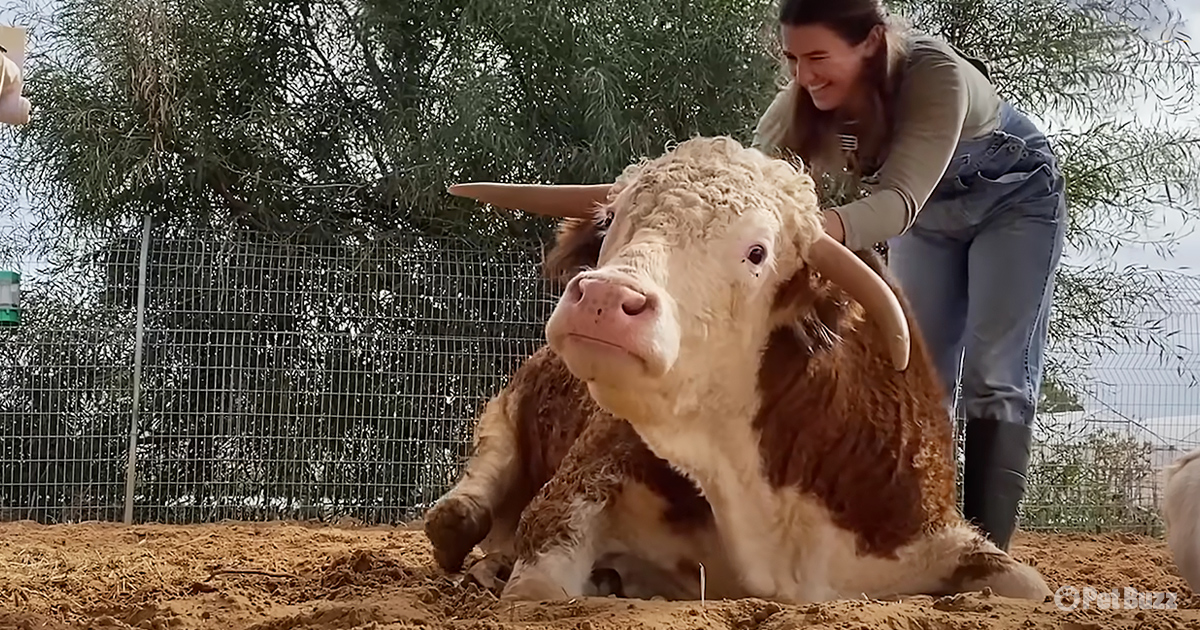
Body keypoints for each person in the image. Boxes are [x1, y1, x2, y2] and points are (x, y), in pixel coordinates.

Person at [752, 0, 1067, 552]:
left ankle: (989, 554)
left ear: (872, 42)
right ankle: (926, 539)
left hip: (1014, 198)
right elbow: (754, 174)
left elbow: (897, 202)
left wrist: (801, 231)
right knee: (923, 373)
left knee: (995, 371)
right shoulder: (802, 99)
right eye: (792, 59)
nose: (804, 76)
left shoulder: (934, 72)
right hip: (929, 216)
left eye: (819, 57)